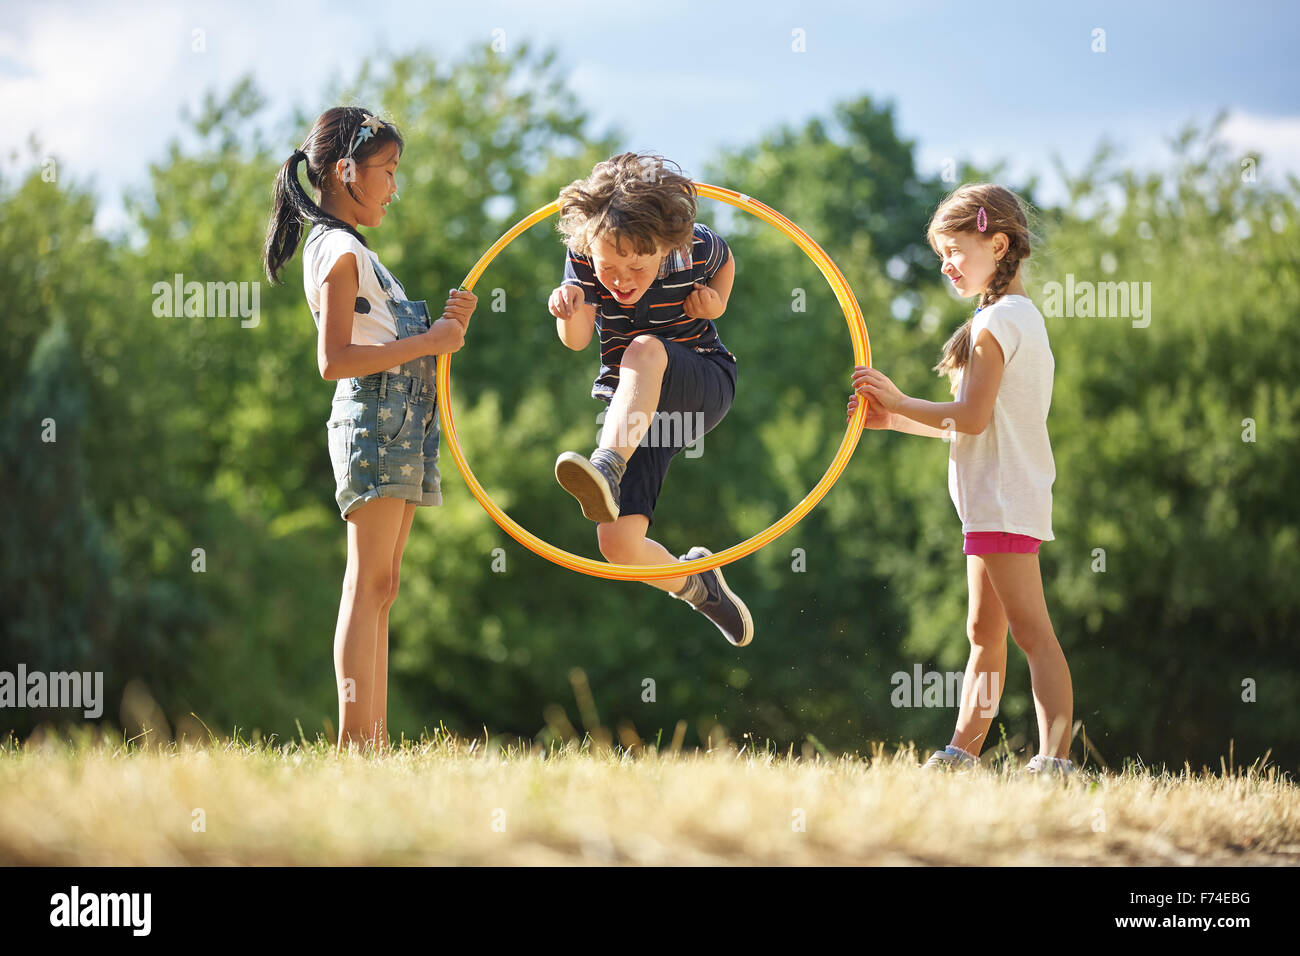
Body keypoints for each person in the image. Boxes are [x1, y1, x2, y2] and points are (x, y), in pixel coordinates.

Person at [263, 106, 477, 750]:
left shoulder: (353, 251)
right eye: (387, 171)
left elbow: (380, 336)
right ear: (344, 171)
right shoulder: (339, 250)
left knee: (384, 584)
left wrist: (442, 332)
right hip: (374, 419)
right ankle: (358, 740)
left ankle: (374, 737)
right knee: (365, 583)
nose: (393, 186)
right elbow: (335, 361)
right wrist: (431, 341)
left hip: (400, 419)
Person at [850, 183, 1075, 776]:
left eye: (955, 250)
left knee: (1032, 633)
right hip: (990, 503)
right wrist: (894, 418)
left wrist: (900, 396)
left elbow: (971, 418)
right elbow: (969, 427)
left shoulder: (997, 324)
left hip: (1001, 502)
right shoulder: (1005, 318)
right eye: (940, 254)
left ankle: (1055, 762)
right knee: (984, 631)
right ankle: (962, 752)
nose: (947, 265)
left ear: (998, 244)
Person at [547, 152, 753, 646]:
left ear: (665, 247)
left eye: (636, 265)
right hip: (638, 413)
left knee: (643, 350)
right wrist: (568, 310)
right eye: (608, 266)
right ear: (589, 250)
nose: (620, 278)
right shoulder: (583, 255)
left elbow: (726, 260)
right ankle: (698, 587)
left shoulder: (692, 249)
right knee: (618, 545)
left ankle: (607, 466)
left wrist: (717, 302)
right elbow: (576, 340)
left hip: (702, 380)